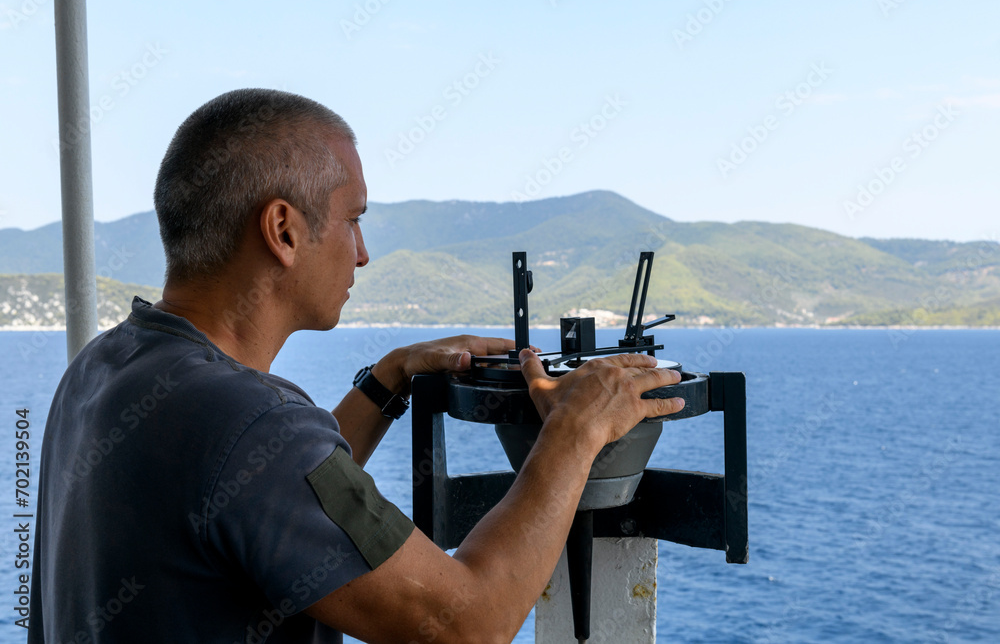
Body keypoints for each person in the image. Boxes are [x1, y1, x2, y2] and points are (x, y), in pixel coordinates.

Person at [29, 88, 684, 643]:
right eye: (353, 220)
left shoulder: (103, 367)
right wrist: (575, 431)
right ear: (283, 230)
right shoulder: (248, 420)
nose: (363, 253)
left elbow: (258, 490)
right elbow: (465, 620)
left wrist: (387, 379)